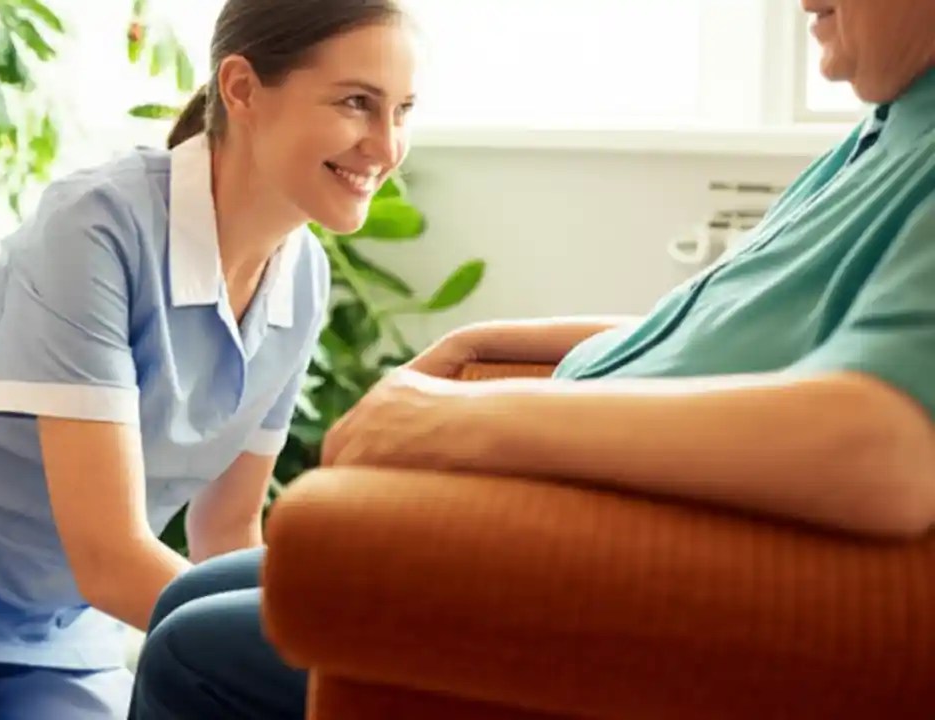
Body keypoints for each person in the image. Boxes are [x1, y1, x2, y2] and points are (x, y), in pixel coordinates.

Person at [130, 1, 935, 718]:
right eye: (355, 102)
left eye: (401, 108)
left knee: (190, 651)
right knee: (191, 597)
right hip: (586, 503)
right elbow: (722, 322)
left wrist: (464, 422)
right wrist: (494, 341)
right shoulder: (887, 123)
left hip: (628, 553)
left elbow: (888, 444)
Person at [0, 0, 417, 716]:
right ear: (243, 89)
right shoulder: (97, 225)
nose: (386, 144)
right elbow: (110, 555)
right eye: (356, 103)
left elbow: (223, 532)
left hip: (49, 621)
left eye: (403, 110)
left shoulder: (302, 278)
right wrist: (317, 661)